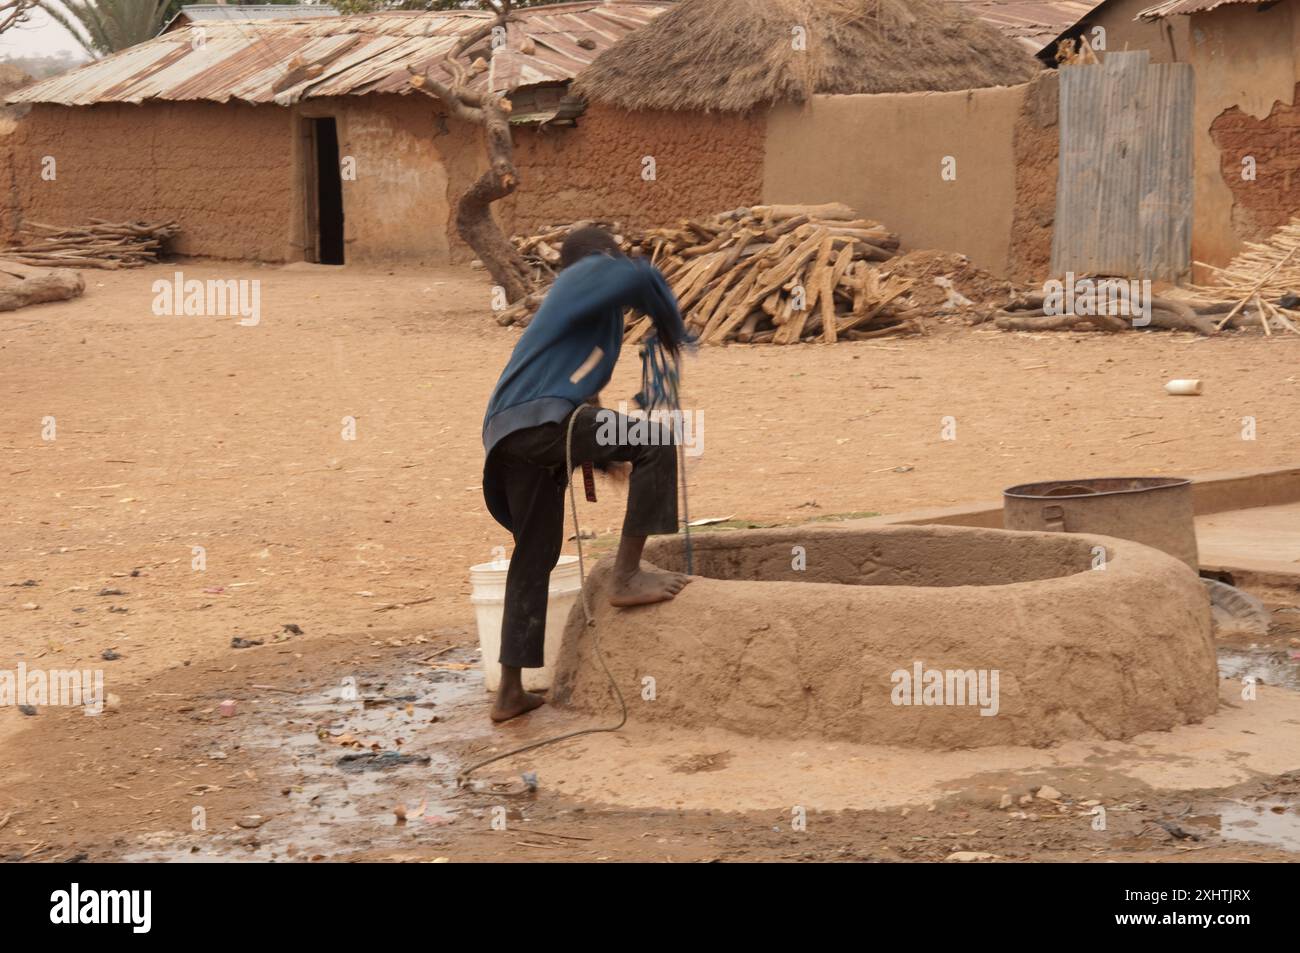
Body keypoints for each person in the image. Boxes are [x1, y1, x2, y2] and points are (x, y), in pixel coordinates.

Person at [481, 226, 694, 722]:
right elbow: (639, 274)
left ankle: (509, 692)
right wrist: (670, 326)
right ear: (600, 259)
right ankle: (626, 577)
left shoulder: (585, 322)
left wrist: (605, 459)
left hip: (510, 434)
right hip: (542, 421)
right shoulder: (582, 274)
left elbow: (584, 400)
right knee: (656, 440)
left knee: (535, 555)